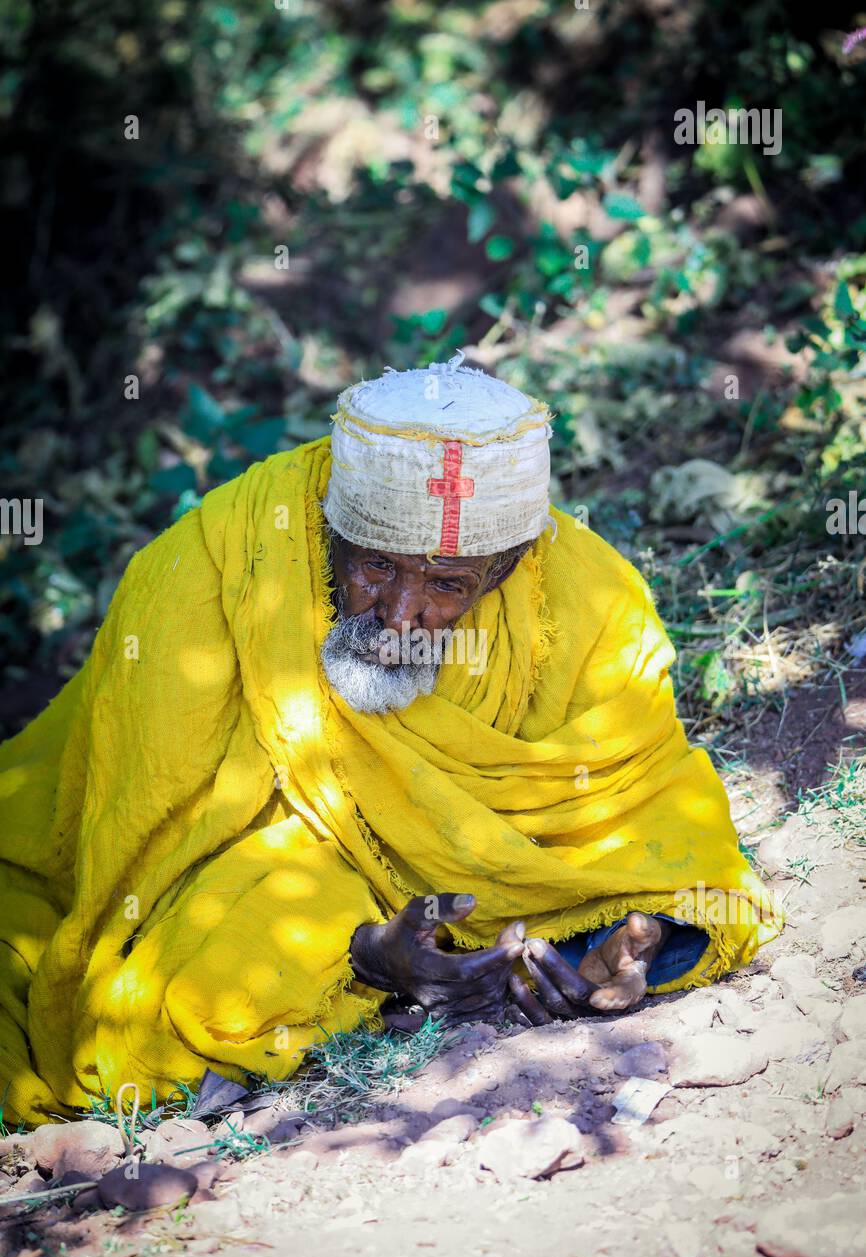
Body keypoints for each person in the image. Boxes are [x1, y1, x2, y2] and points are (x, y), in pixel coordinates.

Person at [0, 353, 781, 1126]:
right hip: (271, 873)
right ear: (331, 528)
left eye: (447, 585)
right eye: (375, 566)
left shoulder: (592, 601)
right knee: (223, 974)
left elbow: (646, 801)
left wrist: (634, 936)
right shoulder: (202, 575)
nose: (401, 615)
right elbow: (155, 855)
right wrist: (367, 953)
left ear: (508, 567)